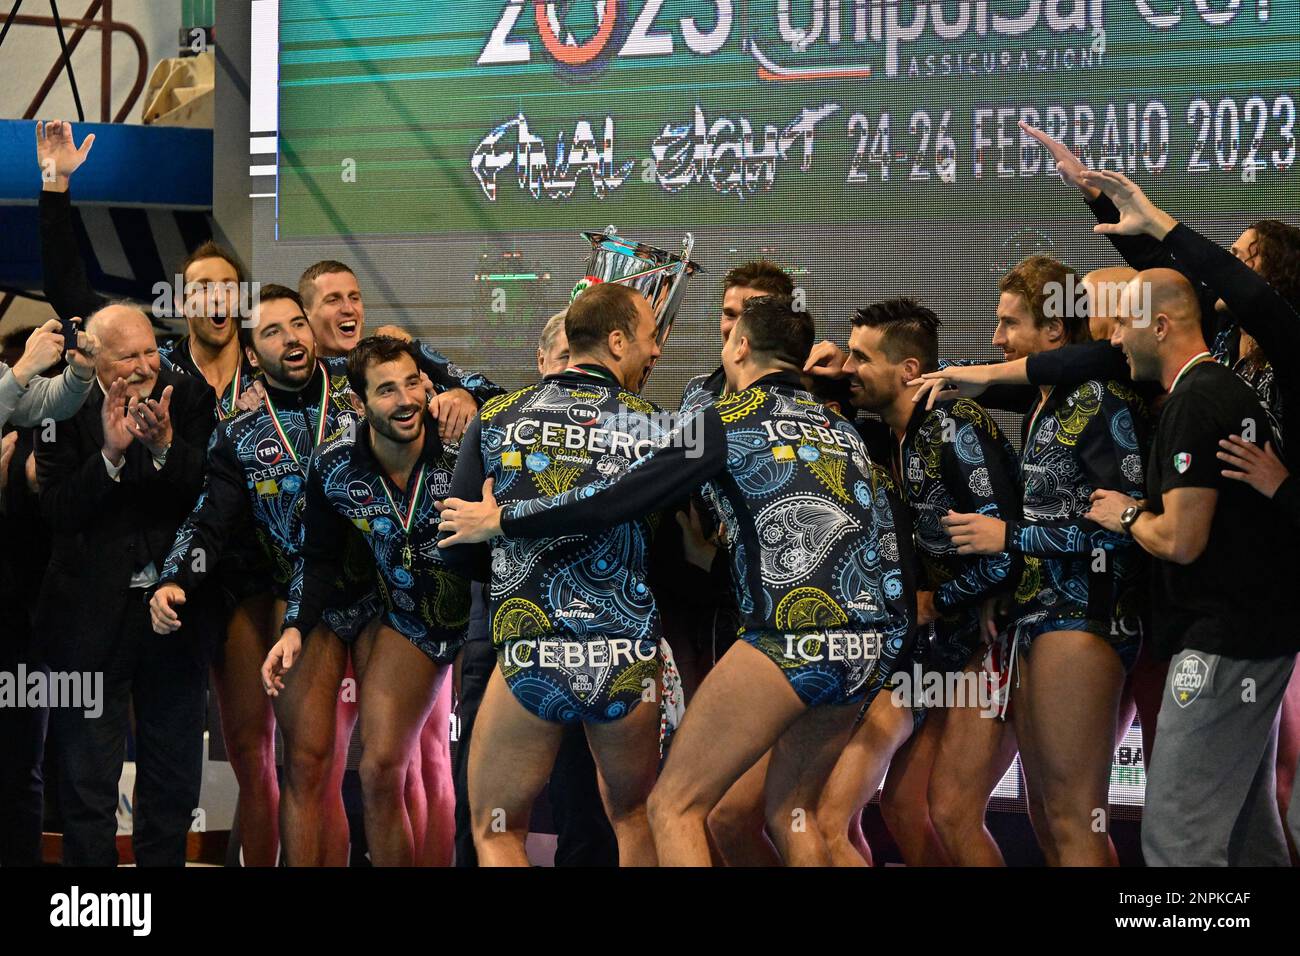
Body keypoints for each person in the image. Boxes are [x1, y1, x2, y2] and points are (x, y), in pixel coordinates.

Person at [439, 294, 917, 866]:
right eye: (651, 335)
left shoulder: (712, 423)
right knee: (793, 816)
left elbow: (609, 503)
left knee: (662, 808)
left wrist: (502, 519)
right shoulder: (842, 431)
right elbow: (890, 543)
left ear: (741, 347)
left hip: (770, 639)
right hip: (860, 645)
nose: (659, 348)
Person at [148, 285, 387, 865]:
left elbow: (419, 380)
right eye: (272, 332)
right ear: (252, 355)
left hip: (385, 598)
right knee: (308, 763)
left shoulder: (363, 393)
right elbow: (211, 513)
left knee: (385, 768)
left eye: (298, 325)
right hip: (300, 606)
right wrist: (175, 575)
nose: (292, 338)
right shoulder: (239, 432)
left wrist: (451, 394)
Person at [436, 284, 672, 866]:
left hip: (531, 647)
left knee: (497, 828)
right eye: (649, 338)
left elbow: (458, 544)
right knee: (633, 817)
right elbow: (660, 543)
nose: (657, 352)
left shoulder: (496, 417)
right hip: (623, 653)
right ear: (616, 343)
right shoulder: (657, 425)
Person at [1088, 266, 1299, 865]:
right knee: (1245, 836)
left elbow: (1182, 541)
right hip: (1252, 643)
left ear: (1160, 325)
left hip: (1221, 647)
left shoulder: (1195, 401)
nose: (1114, 339)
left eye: (1125, 323)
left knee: (1176, 842)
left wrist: (1126, 516)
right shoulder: (1231, 391)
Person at [807, 298, 1024, 866]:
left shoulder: (956, 428)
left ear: (908, 370)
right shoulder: (885, 438)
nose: (850, 368)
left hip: (988, 645)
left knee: (951, 813)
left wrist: (936, 600)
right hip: (927, 654)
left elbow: (1007, 558)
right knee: (900, 807)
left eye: (862, 357)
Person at [264, 336, 472, 866]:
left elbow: (506, 399)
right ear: (358, 404)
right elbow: (319, 557)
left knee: (473, 781)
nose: (405, 399)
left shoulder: (466, 445)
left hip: (490, 619)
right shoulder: (334, 467)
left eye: (412, 383)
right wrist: (293, 627)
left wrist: (460, 387)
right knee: (380, 772)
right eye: (386, 390)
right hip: (412, 625)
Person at [34, 303, 216, 866]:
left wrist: (163, 448)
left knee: (172, 784)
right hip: (85, 621)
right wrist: (111, 455)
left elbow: (211, 496)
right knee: (88, 789)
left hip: (174, 618)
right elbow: (57, 512)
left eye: (149, 351)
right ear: (94, 358)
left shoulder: (189, 399)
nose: (144, 366)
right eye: (127, 356)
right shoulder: (60, 403)